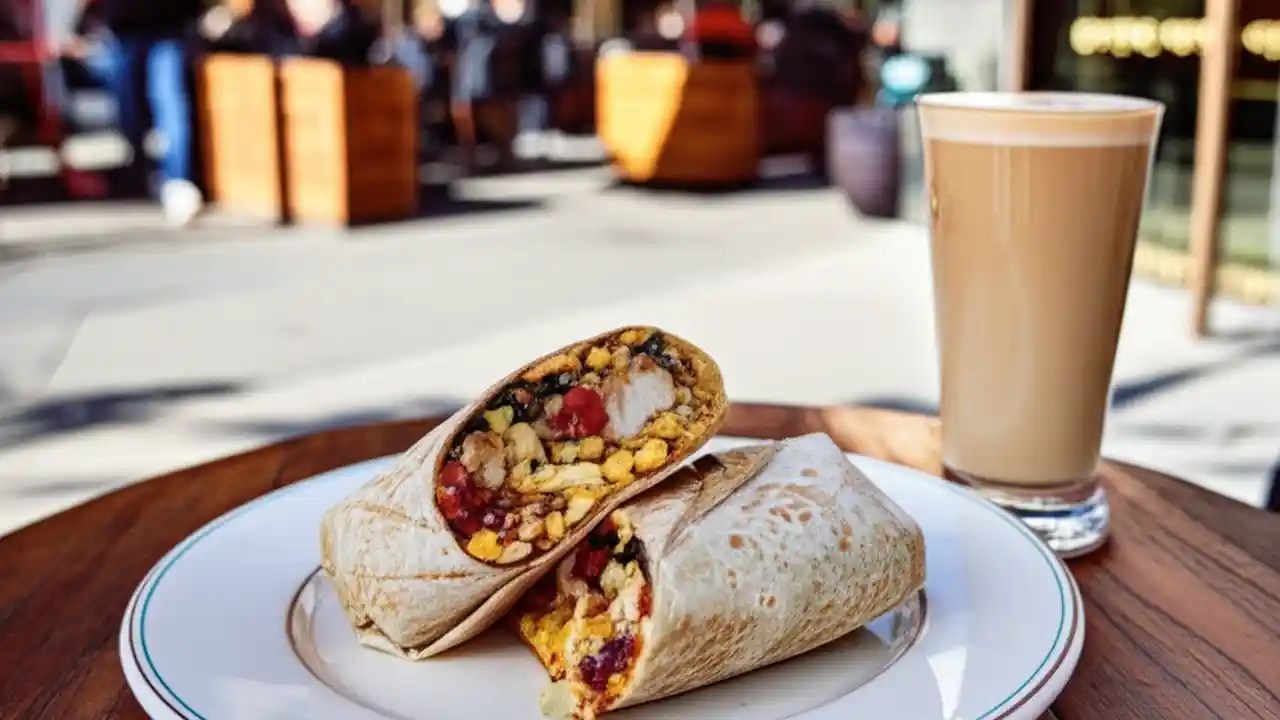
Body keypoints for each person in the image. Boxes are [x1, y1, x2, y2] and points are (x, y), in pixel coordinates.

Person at [101, 0, 206, 225]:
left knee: (169, 103)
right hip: (130, 26)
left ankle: (177, 179)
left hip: (166, 24)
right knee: (132, 110)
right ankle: (147, 171)